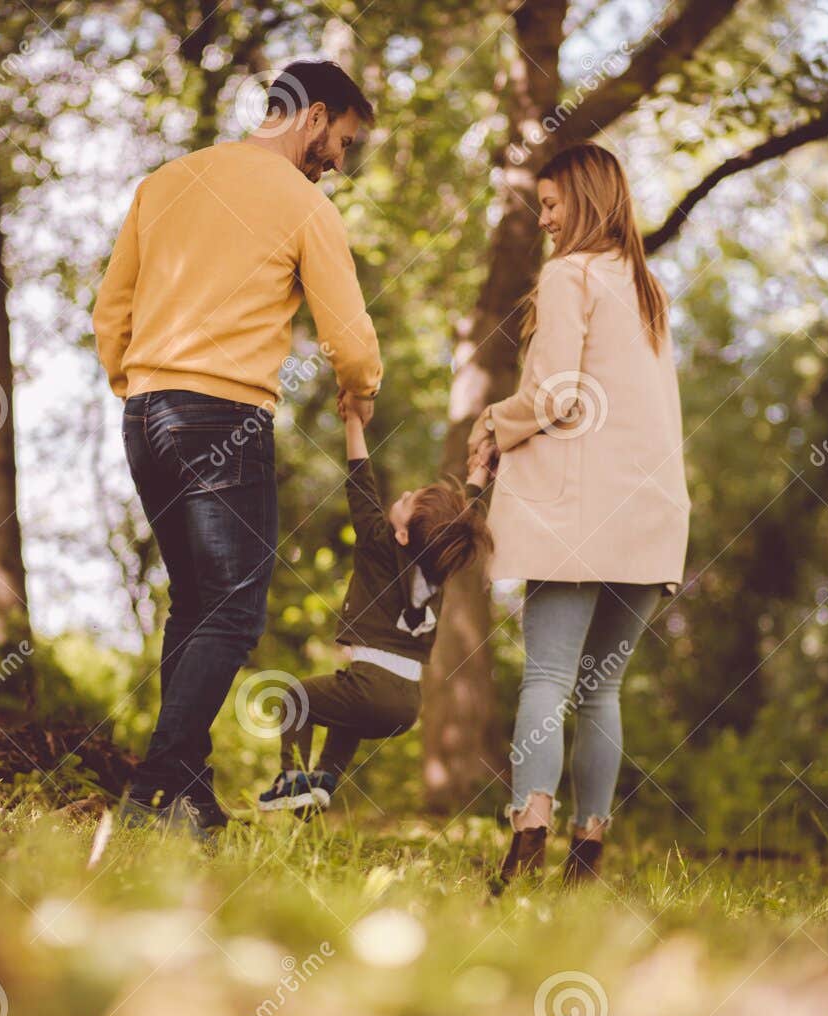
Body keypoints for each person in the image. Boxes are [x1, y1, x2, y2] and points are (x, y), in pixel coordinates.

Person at [92, 61, 383, 833]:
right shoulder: (302, 204)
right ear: (313, 115)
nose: (339, 160)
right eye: (343, 141)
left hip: (146, 415)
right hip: (224, 418)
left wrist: (138, 382)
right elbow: (349, 340)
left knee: (193, 604)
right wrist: (363, 389)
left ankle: (188, 797)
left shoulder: (167, 181)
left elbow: (110, 309)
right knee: (233, 612)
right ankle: (152, 788)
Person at [468, 142, 690, 886]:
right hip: (653, 517)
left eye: (555, 202)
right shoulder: (647, 288)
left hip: (579, 515)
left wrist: (492, 423)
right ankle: (589, 843)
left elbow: (557, 394)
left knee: (549, 676)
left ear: (589, 199)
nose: (546, 217)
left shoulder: (572, 275)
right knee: (601, 687)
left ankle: (530, 828)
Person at [258, 405, 493, 815]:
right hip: (406, 705)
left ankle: (292, 777)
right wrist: (480, 475)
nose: (401, 495)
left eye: (406, 501)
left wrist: (352, 422)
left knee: (296, 696)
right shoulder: (440, 566)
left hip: (372, 685)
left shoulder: (378, 543)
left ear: (402, 534)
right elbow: (460, 520)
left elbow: (360, 485)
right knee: (347, 716)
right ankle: (324, 782)